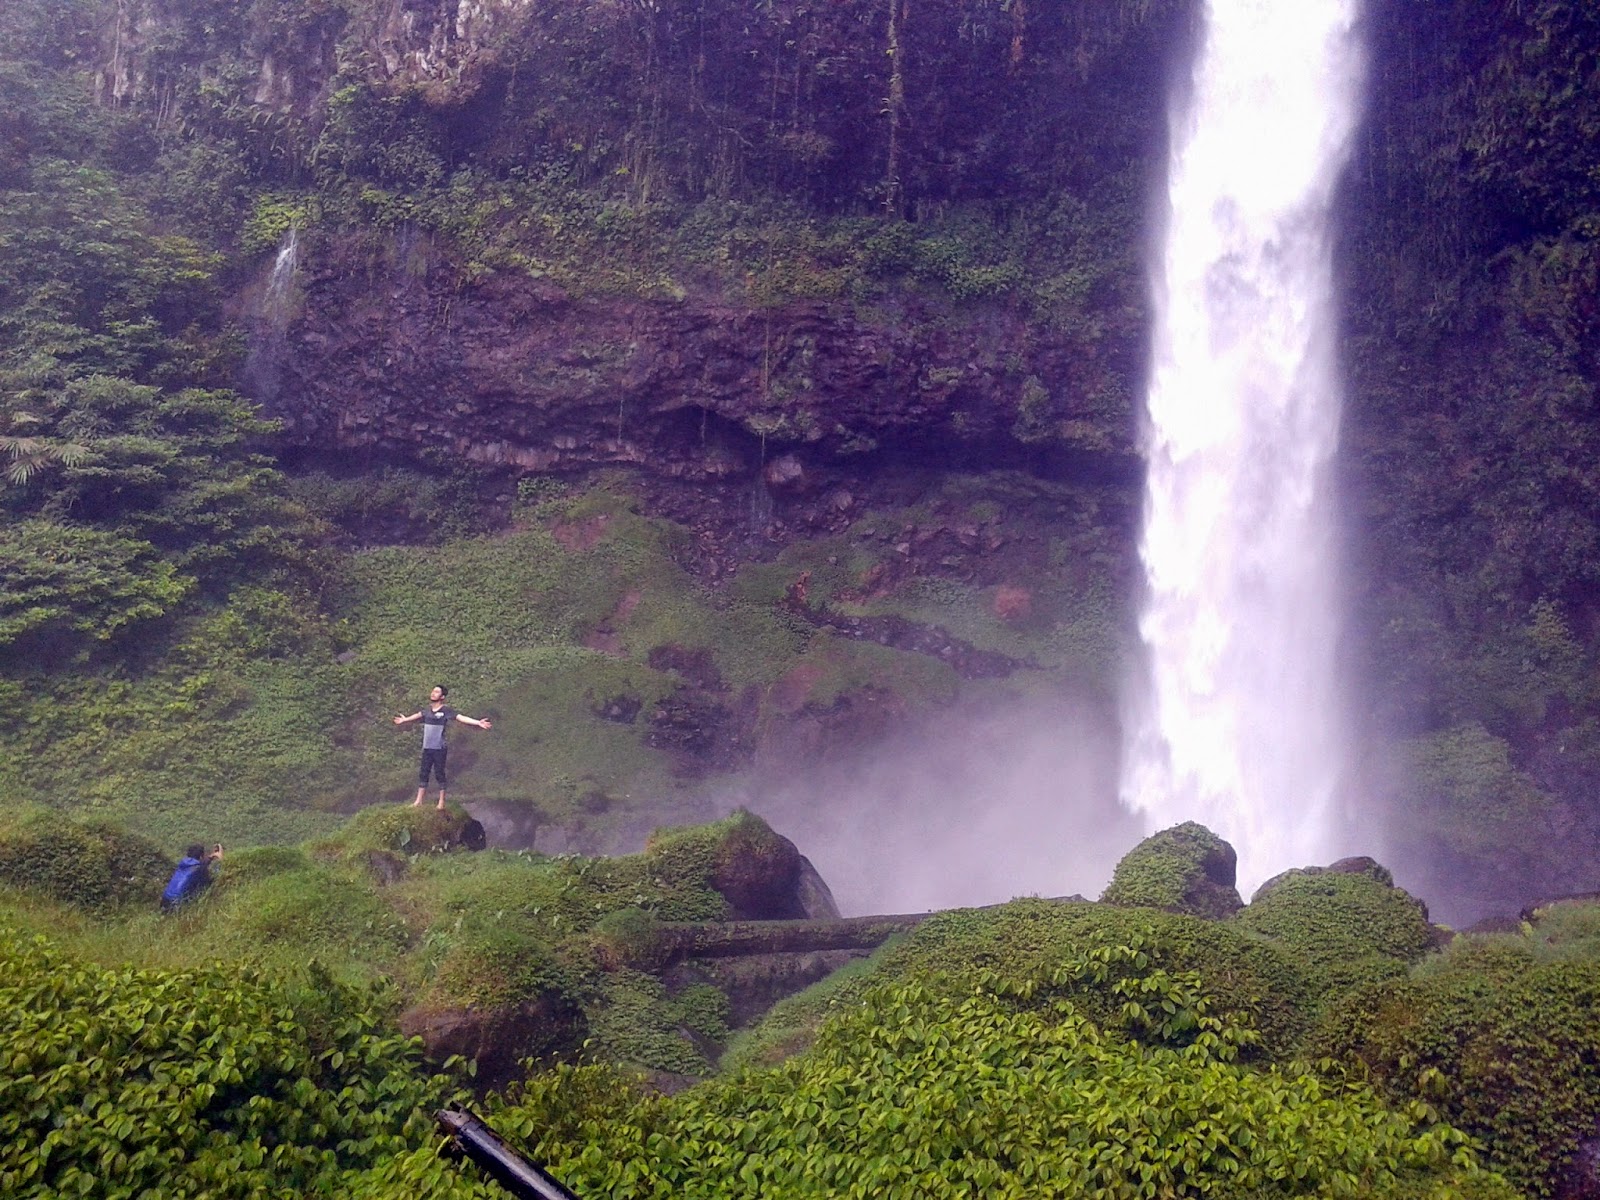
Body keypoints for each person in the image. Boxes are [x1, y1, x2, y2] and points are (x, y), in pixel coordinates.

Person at [393, 685, 492, 809]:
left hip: (439, 748)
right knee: (424, 773)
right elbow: (417, 715)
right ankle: (418, 801)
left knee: (439, 773)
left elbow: (460, 718)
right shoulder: (427, 710)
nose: (433, 693)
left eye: (436, 692)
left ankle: (441, 802)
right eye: (433, 691)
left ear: (442, 697)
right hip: (427, 747)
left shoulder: (446, 711)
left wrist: (477, 722)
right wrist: (405, 720)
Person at [161, 843, 222, 912]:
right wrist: (220, 860)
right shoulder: (200, 869)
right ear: (201, 857)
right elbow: (212, 880)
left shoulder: (182, 864)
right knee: (204, 889)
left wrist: (211, 857)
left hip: (164, 901)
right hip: (178, 905)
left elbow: (199, 864)